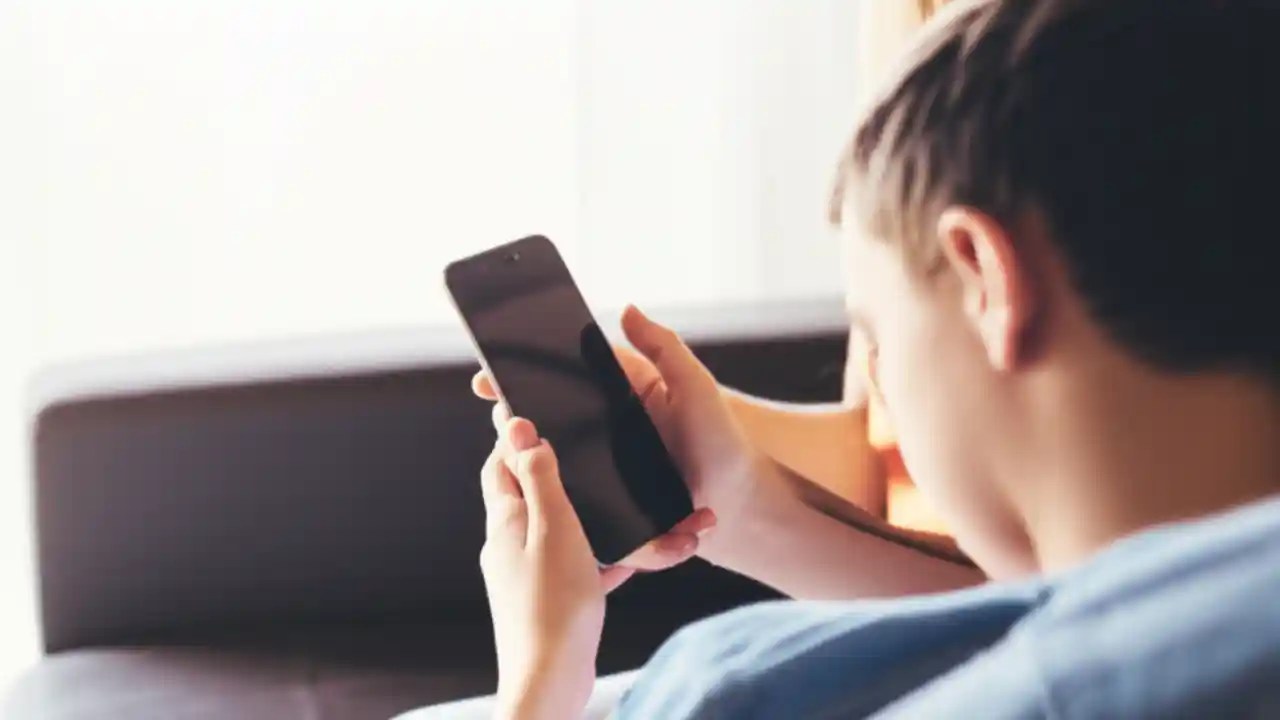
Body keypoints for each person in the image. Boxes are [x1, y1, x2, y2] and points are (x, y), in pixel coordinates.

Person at [406, 0, 1280, 716]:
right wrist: (746, 504)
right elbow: (1055, 596)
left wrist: (541, 680)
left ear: (985, 279)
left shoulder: (740, 688)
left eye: (879, 336)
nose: (882, 383)